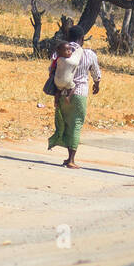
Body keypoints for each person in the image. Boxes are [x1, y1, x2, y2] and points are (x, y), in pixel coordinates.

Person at [47, 26, 100, 169]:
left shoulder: (60, 51)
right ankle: (71, 159)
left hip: (61, 92)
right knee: (76, 124)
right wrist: (97, 84)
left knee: (65, 122)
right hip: (80, 93)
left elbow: (51, 69)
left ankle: (64, 150)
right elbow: (96, 73)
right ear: (82, 38)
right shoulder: (89, 54)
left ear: (68, 37)